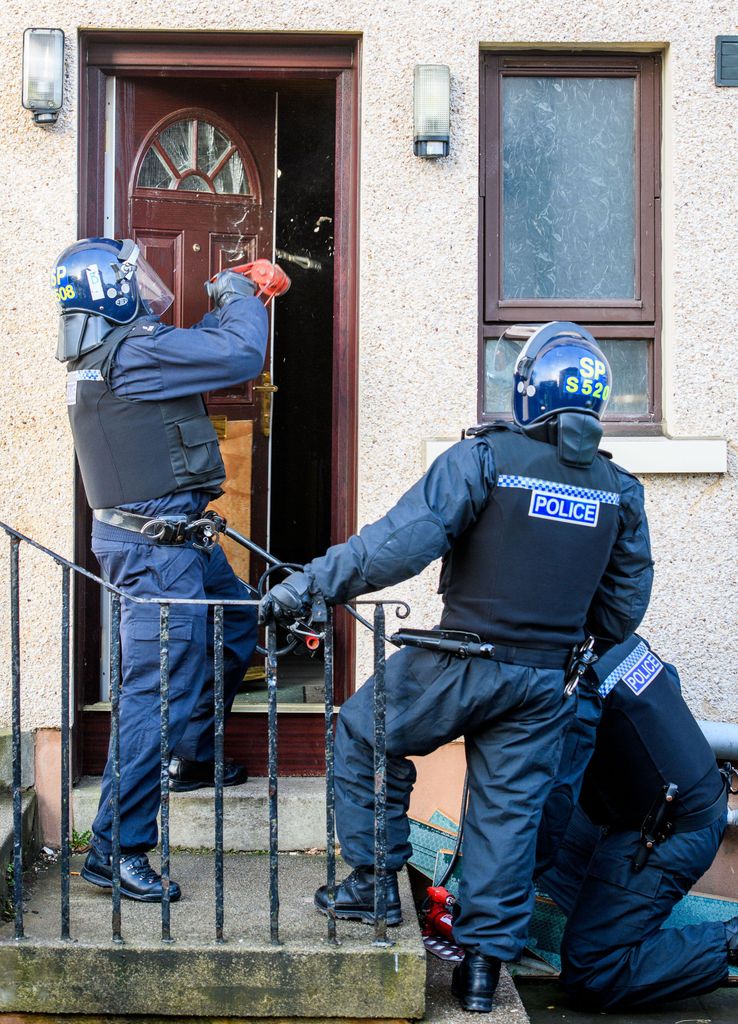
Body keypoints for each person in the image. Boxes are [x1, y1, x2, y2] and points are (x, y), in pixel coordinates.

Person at [260, 321, 654, 1011]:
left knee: (363, 731)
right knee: (508, 817)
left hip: (466, 658)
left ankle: (374, 883)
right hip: (544, 683)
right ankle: (481, 973)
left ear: (529, 388)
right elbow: (623, 609)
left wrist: (309, 586)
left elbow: (397, 545)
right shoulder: (620, 490)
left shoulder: (483, 460)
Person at [53, 237, 269, 901]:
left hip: (182, 542)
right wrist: (238, 290)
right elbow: (239, 352)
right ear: (111, 292)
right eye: (133, 276)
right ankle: (116, 850)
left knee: (236, 627)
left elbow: (200, 348)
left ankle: (191, 755)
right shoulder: (135, 353)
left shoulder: (117, 352)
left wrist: (223, 304)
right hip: (156, 553)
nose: (146, 285)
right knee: (155, 694)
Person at [535, 633, 734, 1011]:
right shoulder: (609, 638)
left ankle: (731, 939)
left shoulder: (574, 678)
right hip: (666, 803)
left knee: (592, 970)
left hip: (667, 829)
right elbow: (668, 681)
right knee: (534, 831)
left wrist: (500, 896)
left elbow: (557, 791)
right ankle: (607, 924)